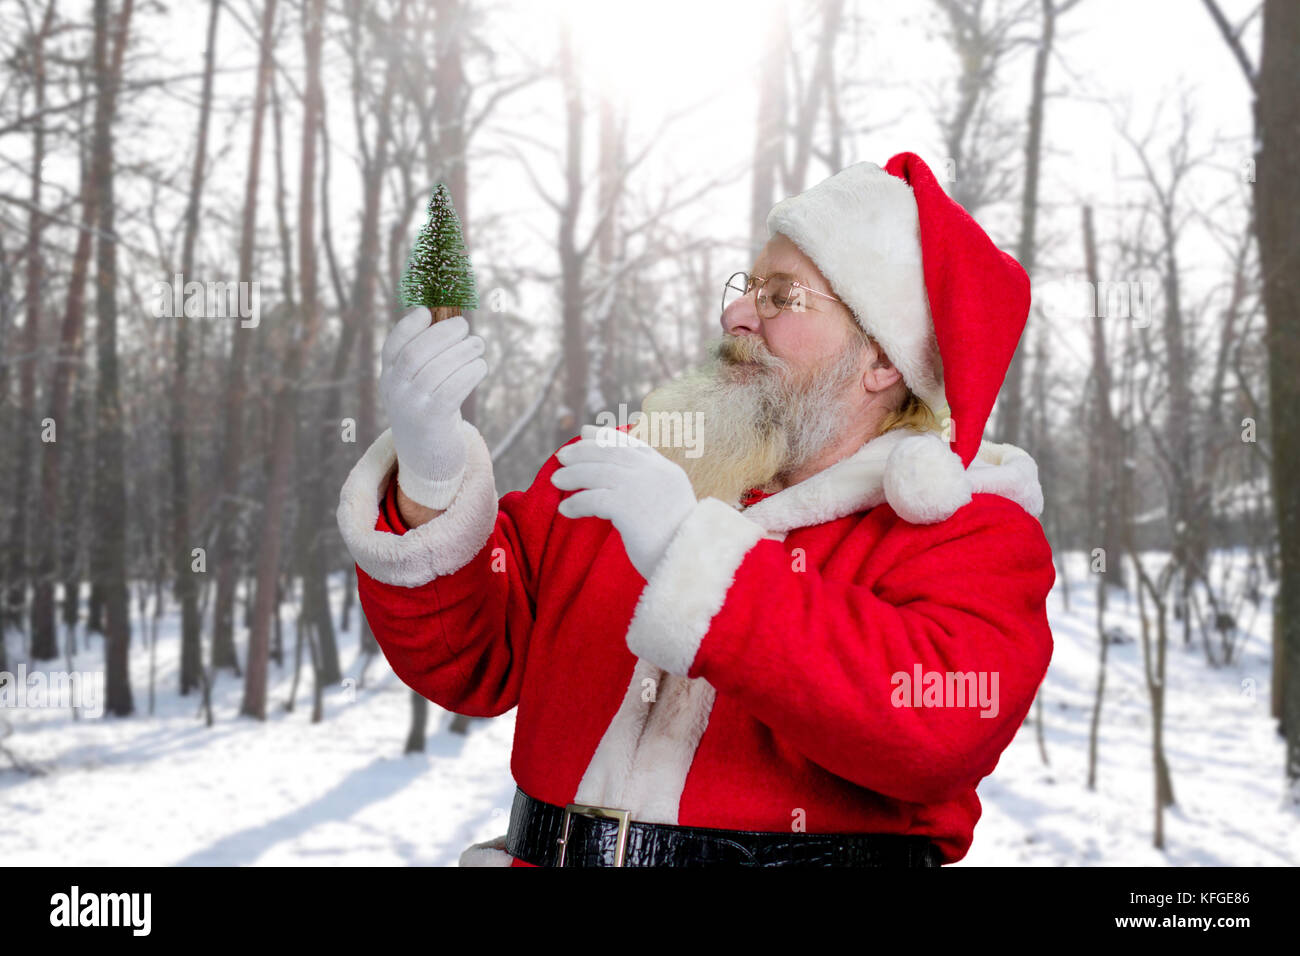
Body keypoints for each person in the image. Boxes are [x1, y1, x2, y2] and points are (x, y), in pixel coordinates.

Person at [336, 151, 1054, 867]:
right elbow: (473, 661)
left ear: (883, 360)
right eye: (748, 287)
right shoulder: (627, 469)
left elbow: (941, 730)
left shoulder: (969, 529)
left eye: (781, 295)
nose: (738, 313)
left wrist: (696, 563)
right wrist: (429, 484)